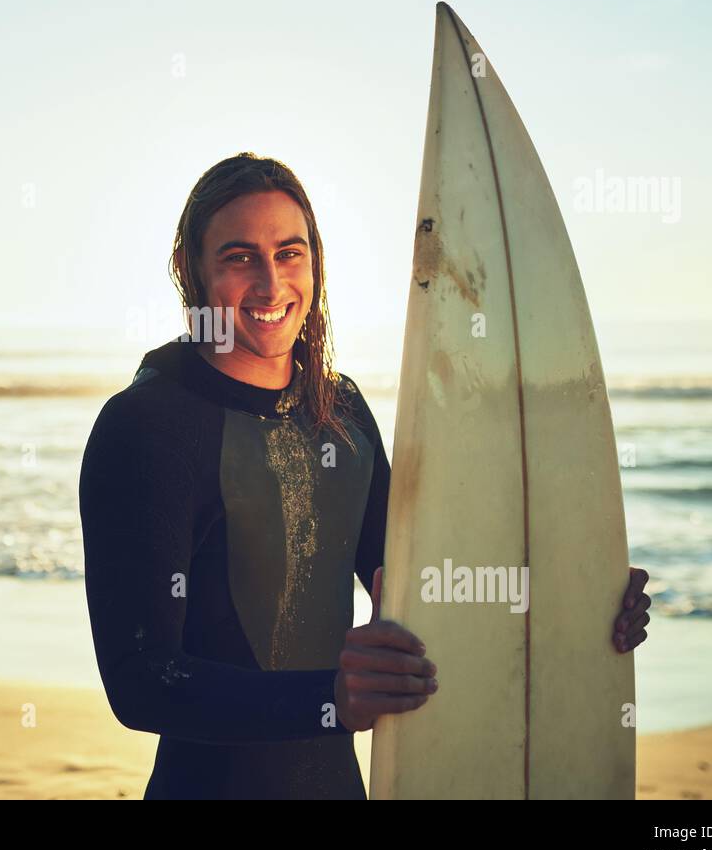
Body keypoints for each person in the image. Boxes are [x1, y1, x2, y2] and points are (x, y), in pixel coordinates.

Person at [78, 152, 652, 800]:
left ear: (315, 263)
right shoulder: (149, 427)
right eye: (239, 257)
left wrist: (579, 602)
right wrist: (330, 698)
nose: (270, 284)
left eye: (290, 253)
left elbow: (425, 587)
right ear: (195, 271)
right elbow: (141, 680)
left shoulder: (339, 410)